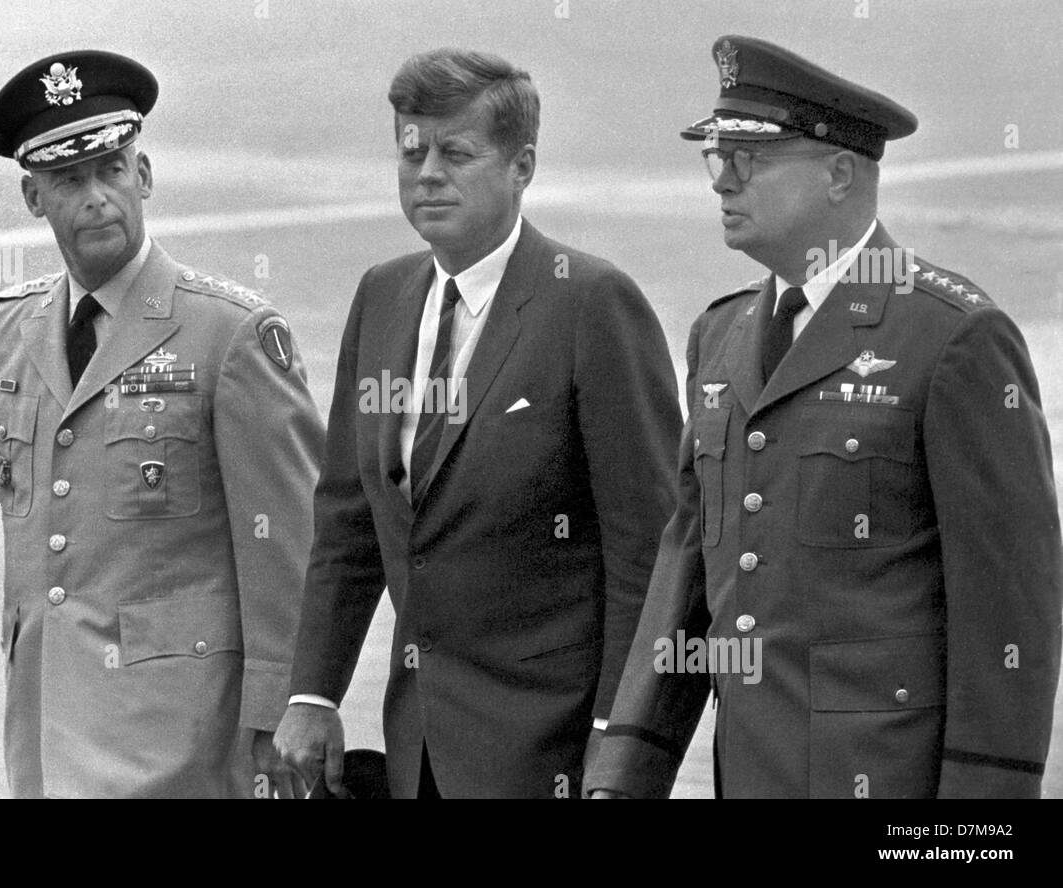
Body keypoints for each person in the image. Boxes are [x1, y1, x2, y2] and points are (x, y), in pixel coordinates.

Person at [0, 50, 326, 798]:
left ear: (143, 176)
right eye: (70, 180)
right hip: (43, 738)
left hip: (185, 743)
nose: (98, 198)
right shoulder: (3, 333)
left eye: (112, 170)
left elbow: (292, 542)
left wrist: (286, 712)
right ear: (32, 197)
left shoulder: (232, 336)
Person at [588, 35, 1062, 798]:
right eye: (716, 158)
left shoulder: (950, 337)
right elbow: (689, 573)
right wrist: (627, 767)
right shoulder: (721, 335)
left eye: (751, 160)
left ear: (840, 173)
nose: (722, 182)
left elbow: (1009, 606)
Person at [274, 48, 681, 798]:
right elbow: (349, 521)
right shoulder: (383, 296)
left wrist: (619, 745)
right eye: (411, 150)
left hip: (552, 753)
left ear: (522, 165)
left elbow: (647, 553)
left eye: (456, 153)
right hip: (417, 748)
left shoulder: (591, 305)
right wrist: (313, 693)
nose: (428, 172)